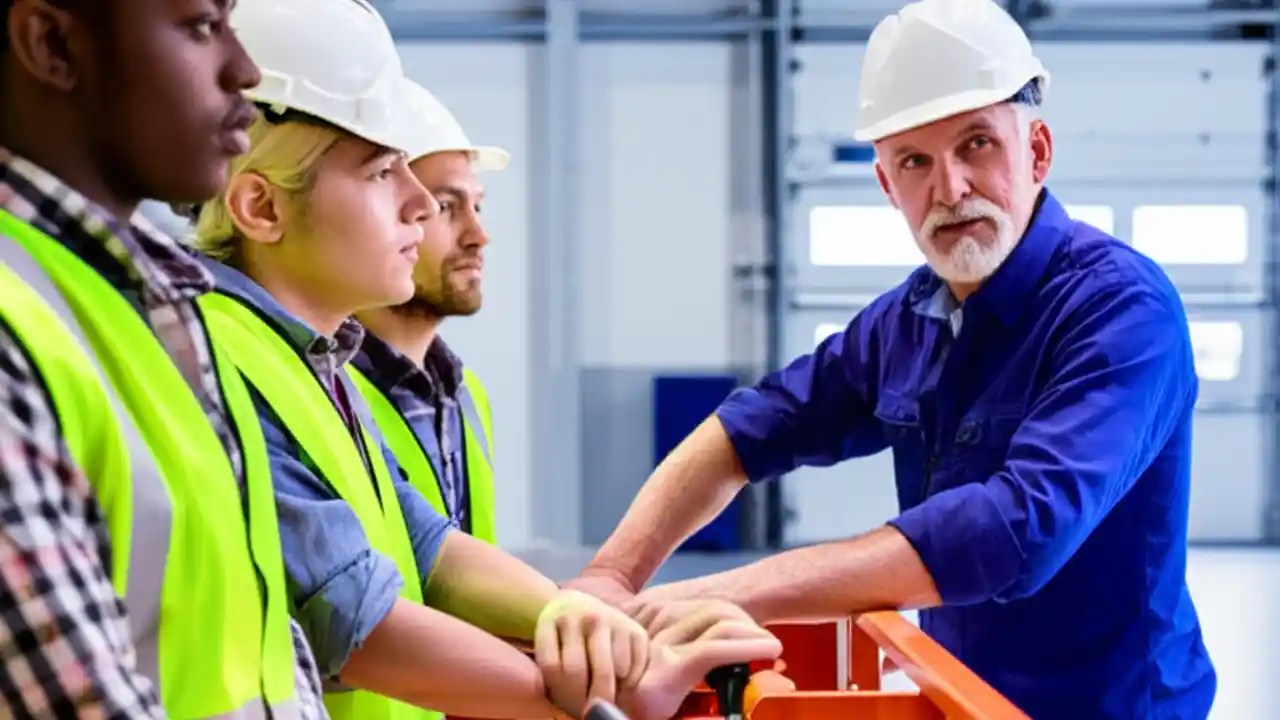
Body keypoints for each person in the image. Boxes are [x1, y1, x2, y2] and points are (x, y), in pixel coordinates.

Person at [567, 1, 1217, 718]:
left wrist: (724, 589)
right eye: (915, 161)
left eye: (976, 145)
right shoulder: (910, 321)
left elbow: (1016, 531)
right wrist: (610, 575)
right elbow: (754, 430)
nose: (951, 189)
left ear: (1036, 151)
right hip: (965, 699)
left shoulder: (1120, 310)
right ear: (886, 184)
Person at [188, 1, 783, 718]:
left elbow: (423, 543)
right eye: (383, 172)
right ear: (262, 208)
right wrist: (595, 693)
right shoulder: (216, 357)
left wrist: (572, 618)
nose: (417, 206)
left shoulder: (314, 365)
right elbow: (353, 617)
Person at [0, 0, 327, 717]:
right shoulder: (14, 321)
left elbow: (262, 642)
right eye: (202, 25)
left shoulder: (157, 302)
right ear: (52, 44)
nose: (243, 70)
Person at [348, 80, 505, 542]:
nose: (479, 234)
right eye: (444, 207)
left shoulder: (466, 394)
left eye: (477, 206)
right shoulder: (327, 389)